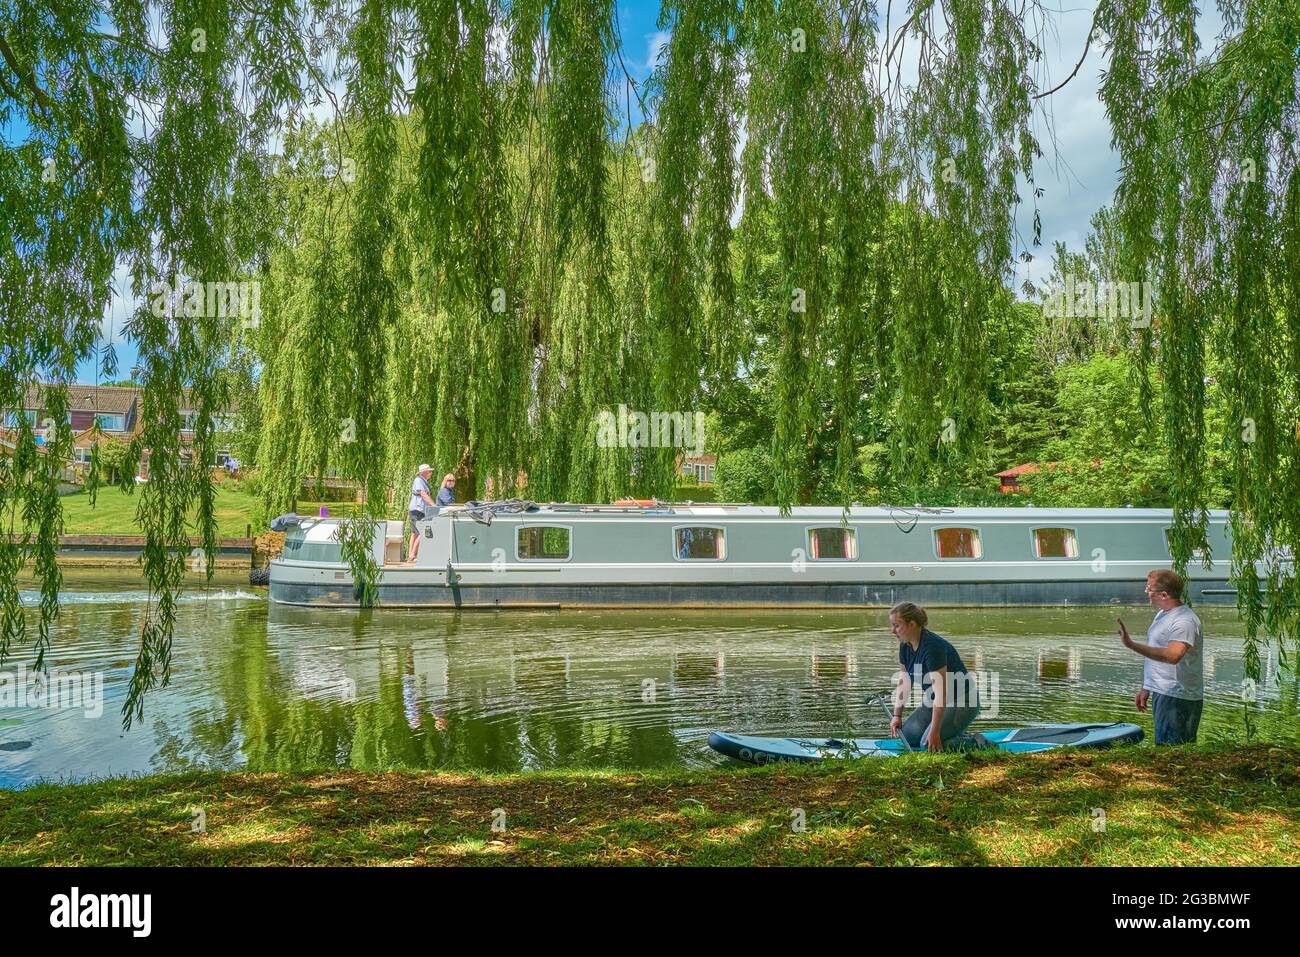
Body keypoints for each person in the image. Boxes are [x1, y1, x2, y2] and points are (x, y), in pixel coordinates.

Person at [1118, 569, 1204, 745]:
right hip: (1163, 691)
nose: (1146, 592)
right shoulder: (1163, 615)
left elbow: (1173, 656)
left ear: (1164, 595)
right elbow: (1157, 653)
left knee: (1173, 750)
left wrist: (1132, 645)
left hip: (1178, 696)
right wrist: (1147, 687)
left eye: (1149, 589)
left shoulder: (1184, 620)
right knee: (1164, 746)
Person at [888, 602, 981, 752]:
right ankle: (953, 733)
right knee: (907, 737)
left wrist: (935, 732)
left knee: (928, 745)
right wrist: (897, 715)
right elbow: (904, 682)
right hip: (935, 700)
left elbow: (941, 694)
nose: (892, 631)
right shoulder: (905, 645)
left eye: (896, 626)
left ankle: (975, 741)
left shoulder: (932, 647)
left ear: (911, 624)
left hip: (962, 700)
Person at [406, 464, 436, 563]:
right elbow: (423, 494)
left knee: (414, 533)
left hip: (418, 510)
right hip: (418, 509)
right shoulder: (418, 480)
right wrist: (434, 505)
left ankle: (410, 555)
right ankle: (412, 555)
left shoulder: (423, 481)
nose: (431, 473)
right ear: (424, 472)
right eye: (429, 471)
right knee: (421, 531)